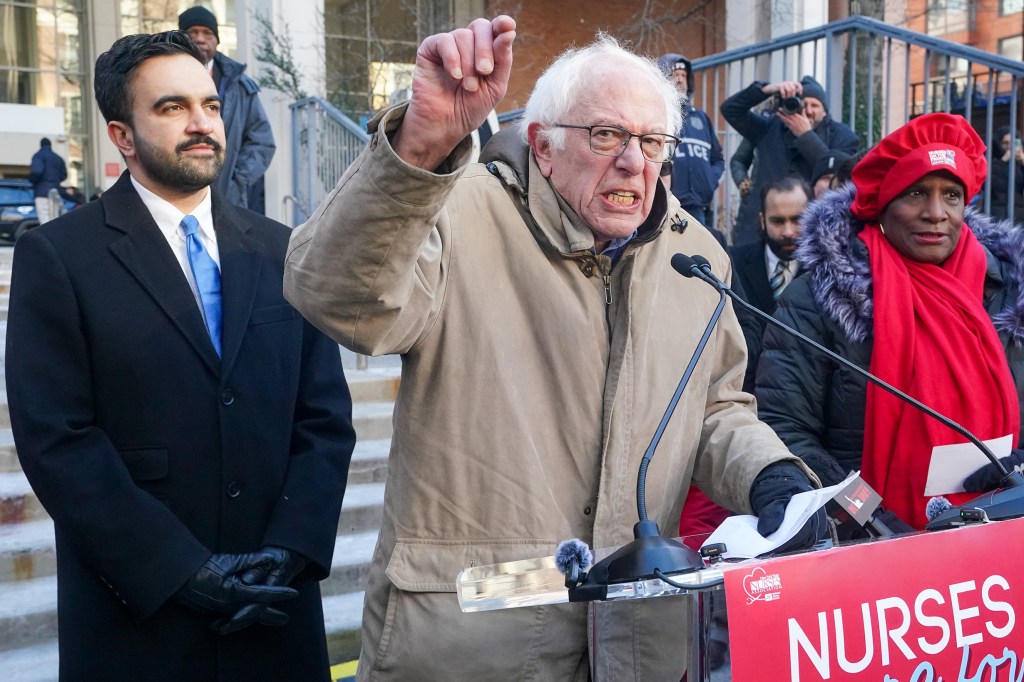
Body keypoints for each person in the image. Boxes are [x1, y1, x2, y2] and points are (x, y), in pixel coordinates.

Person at [284, 17, 823, 681]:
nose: (635, 160)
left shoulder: (695, 254)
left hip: (637, 644)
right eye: (606, 135)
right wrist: (417, 153)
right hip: (475, 639)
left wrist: (771, 473)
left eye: (653, 141)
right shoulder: (453, 213)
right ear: (542, 147)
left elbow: (712, 407)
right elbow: (342, 299)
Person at [5, 31, 355, 680]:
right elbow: (58, 441)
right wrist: (181, 570)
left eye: (211, 105)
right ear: (122, 135)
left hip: (273, 613)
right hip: (142, 623)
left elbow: (324, 419)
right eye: (172, 108)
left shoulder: (286, 249)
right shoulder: (58, 257)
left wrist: (292, 549)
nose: (201, 124)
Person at [756, 112, 1024, 531]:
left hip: (1001, 535)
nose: (936, 212)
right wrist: (867, 515)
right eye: (916, 193)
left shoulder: (1011, 291)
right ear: (883, 206)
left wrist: (1018, 474)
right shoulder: (817, 299)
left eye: (951, 195)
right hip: (871, 548)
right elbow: (783, 429)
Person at [722, 75, 859, 245]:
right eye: (803, 104)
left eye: (814, 105)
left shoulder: (843, 136)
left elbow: (839, 172)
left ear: (825, 111)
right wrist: (767, 89)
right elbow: (730, 110)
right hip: (759, 229)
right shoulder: (770, 127)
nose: (808, 111)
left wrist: (806, 136)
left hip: (810, 232)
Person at [179, 6, 275, 212]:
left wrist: (236, 180)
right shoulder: (163, 79)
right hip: (177, 196)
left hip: (229, 202)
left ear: (217, 40)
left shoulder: (240, 86)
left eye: (208, 33)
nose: (200, 38)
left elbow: (262, 141)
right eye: (192, 32)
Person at [731, 176, 812, 391]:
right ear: (762, 220)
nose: (788, 231)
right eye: (778, 221)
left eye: (797, 220)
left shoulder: (825, 272)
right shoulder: (733, 263)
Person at [656, 53, 724, 227]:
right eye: (674, 75)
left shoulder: (701, 117)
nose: (680, 80)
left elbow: (718, 159)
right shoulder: (656, 116)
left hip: (699, 208)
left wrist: (711, 179)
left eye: (683, 76)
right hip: (666, 207)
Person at [988, 125, 1024, 224]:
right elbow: (987, 184)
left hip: (1019, 218)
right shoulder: (994, 163)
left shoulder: (1020, 165)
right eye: (1005, 143)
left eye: (1013, 143)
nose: (1009, 146)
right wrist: (1003, 161)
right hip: (998, 217)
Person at [28, 137, 67, 224]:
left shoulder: (38, 156)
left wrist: (32, 181)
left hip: (42, 193)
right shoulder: (58, 158)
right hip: (56, 192)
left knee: (44, 221)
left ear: (41, 145)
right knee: (54, 221)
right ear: (50, 145)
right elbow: (64, 175)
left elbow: (36, 172)